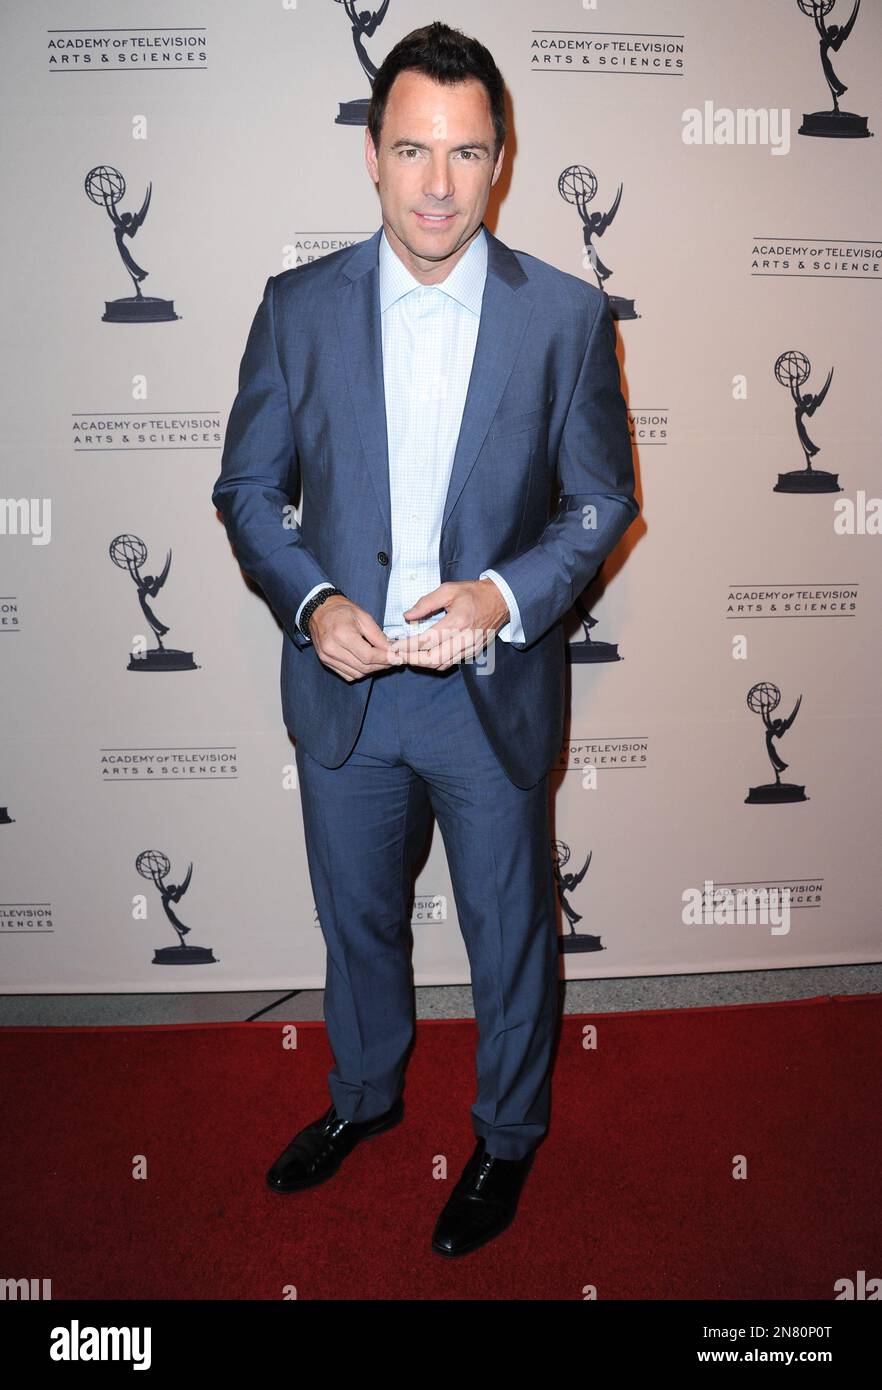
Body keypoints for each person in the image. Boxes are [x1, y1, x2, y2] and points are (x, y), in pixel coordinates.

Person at [211, 20, 639, 1259]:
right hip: (345, 686)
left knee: (510, 932)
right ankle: (364, 1098)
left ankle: (506, 1139)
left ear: (500, 159)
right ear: (373, 155)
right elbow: (248, 491)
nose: (438, 184)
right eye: (412, 150)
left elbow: (602, 501)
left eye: (465, 153)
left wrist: (502, 595)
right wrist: (313, 604)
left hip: (487, 691)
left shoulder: (564, 314)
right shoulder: (297, 308)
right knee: (358, 923)